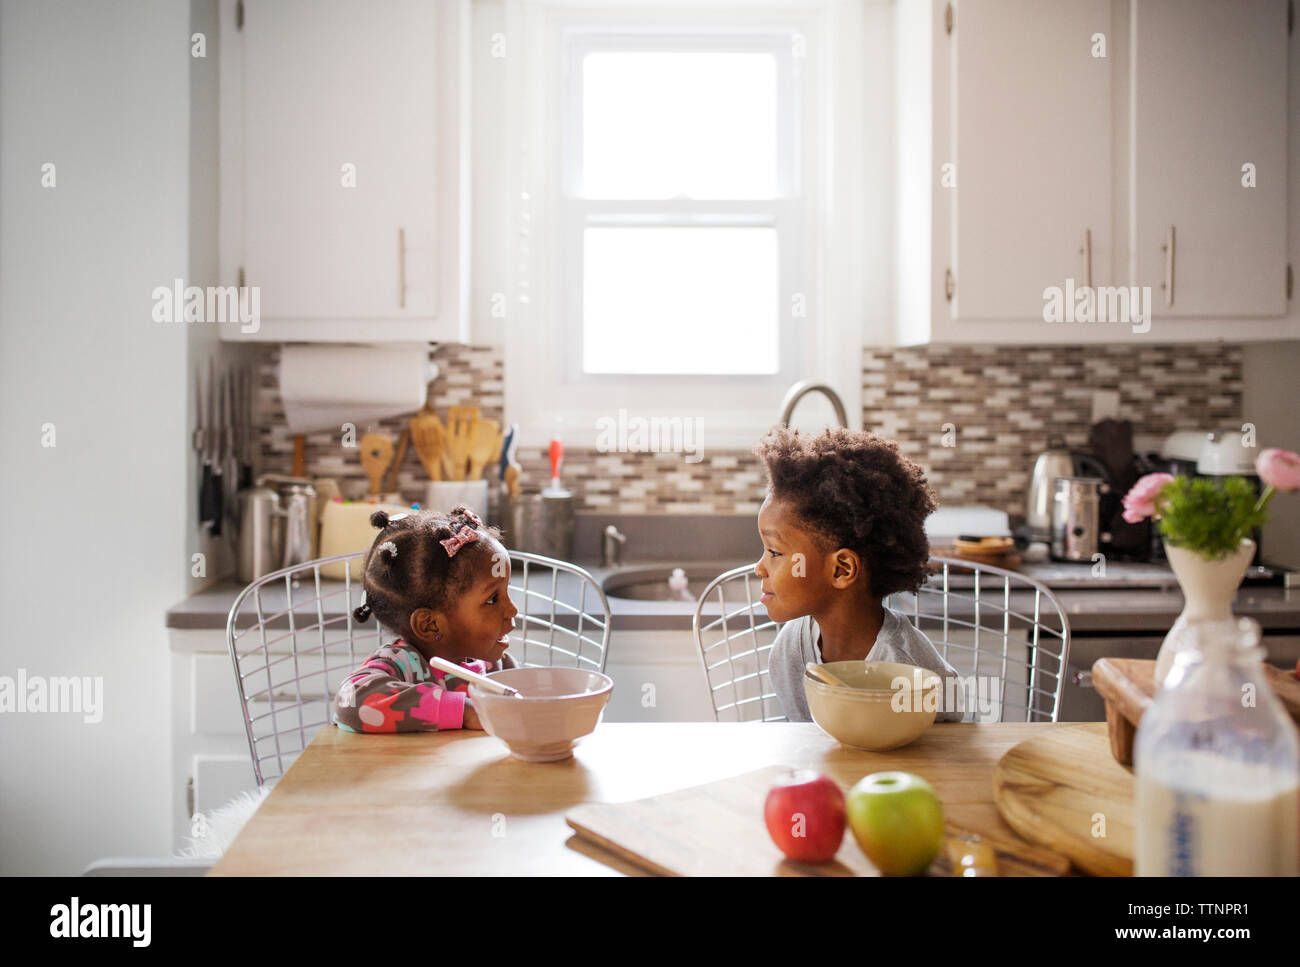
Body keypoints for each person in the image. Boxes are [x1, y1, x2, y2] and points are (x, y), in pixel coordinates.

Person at [754, 427, 963, 723]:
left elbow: (952, 753)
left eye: (774, 552)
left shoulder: (912, 672)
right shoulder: (789, 651)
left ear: (842, 569)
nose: (759, 567)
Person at [333, 505, 518, 733]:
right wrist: (462, 711)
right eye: (492, 599)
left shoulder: (499, 668)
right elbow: (350, 700)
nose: (512, 610)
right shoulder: (400, 665)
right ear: (430, 625)